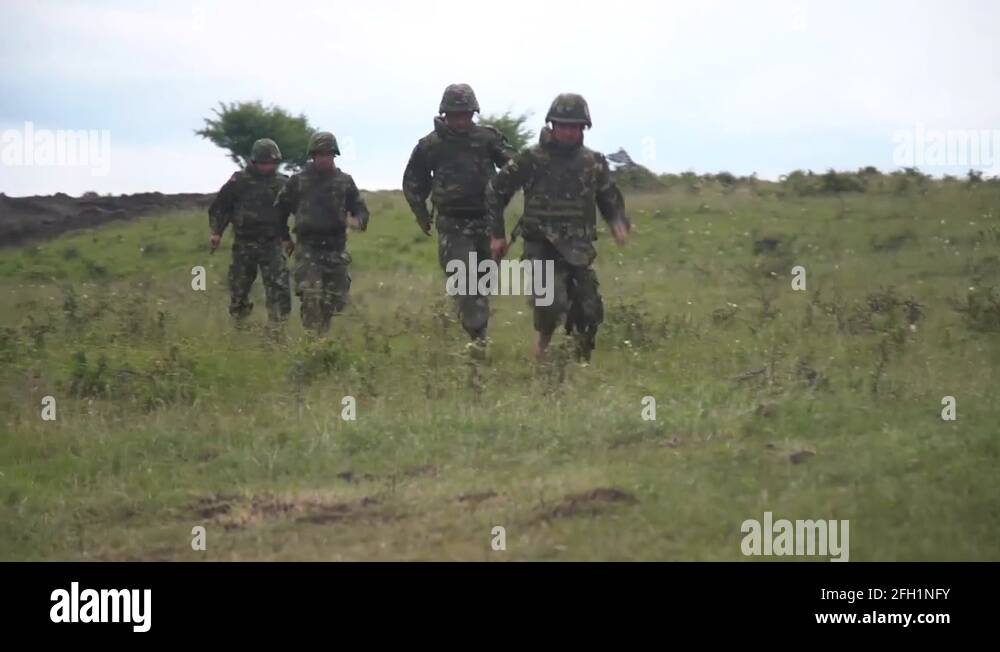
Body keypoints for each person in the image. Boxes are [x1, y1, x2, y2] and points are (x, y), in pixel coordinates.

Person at [486, 93, 630, 363]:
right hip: (541, 245)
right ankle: (542, 350)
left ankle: (578, 366)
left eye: (573, 126)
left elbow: (609, 196)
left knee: (589, 312)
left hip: (578, 247)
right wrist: (497, 234)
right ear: (552, 125)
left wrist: (617, 223)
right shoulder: (531, 158)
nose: (567, 131)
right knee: (549, 302)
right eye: (561, 125)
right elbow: (495, 190)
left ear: (583, 128)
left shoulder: (593, 162)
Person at [403, 83, 515, 351]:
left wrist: (509, 177)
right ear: (444, 114)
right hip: (451, 225)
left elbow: (511, 164)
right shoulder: (430, 145)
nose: (461, 120)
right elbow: (412, 181)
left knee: (483, 282)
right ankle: (478, 341)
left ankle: (475, 326)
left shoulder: (487, 138)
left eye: (465, 114)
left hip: (486, 222)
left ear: (473, 113)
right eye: (455, 115)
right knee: (465, 280)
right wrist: (421, 213)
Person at [274, 131, 369, 334]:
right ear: (313, 155)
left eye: (329, 154)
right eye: (320, 154)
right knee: (311, 295)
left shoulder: (344, 181)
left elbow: (362, 211)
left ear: (334, 155)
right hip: (308, 248)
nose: (324, 158)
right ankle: (313, 342)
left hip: (336, 248)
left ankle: (323, 335)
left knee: (336, 300)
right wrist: (284, 238)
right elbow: (279, 211)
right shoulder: (298, 182)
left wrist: (355, 221)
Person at [208, 138, 292, 324]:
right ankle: (241, 324)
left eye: (271, 163)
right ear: (254, 162)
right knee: (239, 287)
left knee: (279, 287)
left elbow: (294, 208)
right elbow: (221, 207)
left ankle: (277, 328)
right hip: (245, 243)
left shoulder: (282, 183)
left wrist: (289, 236)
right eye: (263, 163)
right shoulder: (239, 181)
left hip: (272, 244)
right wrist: (217, 232)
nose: (267, 167)